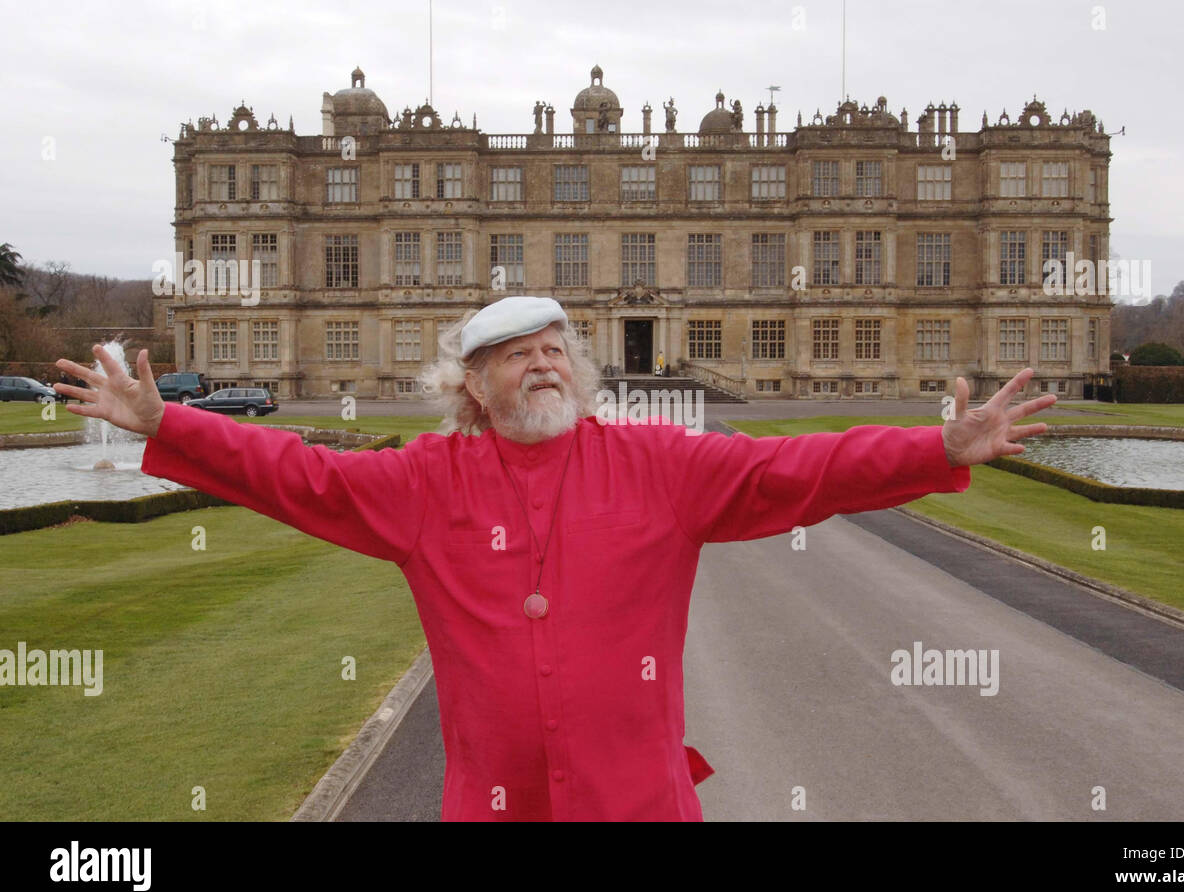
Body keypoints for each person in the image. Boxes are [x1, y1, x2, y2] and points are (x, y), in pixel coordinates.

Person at [52, 296, 1055, 822]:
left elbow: (794, 470)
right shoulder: (422, 482)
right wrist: (167, 422)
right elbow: (294, 472)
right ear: (473, 384)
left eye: (555, 350)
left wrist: (935, 448)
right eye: (515, 354)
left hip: (638, 806)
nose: (542, 363)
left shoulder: (659, 464)